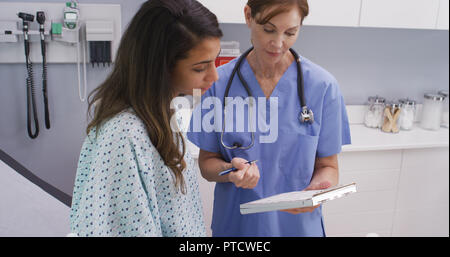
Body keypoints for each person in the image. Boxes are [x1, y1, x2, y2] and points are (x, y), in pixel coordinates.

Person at [187, 0, 351, 236]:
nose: (278, 43)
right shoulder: (217, 83)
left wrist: (317, 190)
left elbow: (328, 167)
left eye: (290, 33)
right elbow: (207, 164)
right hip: (239, 227)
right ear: (248, 16)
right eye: (268, 29)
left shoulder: (323, 87)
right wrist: (230, 170)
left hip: (298, 227)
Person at [70, 0, 222, 236]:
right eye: (200, 68)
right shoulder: (124, 135)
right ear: (160, 67)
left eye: (215, 61)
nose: (214, 76)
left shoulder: (161, 117)